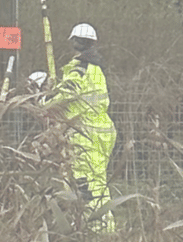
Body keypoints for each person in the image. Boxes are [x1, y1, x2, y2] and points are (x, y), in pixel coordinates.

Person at [52, 23, 117, 233]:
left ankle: (97, 230)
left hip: (85, 134)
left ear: (73, 42)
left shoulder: (80, 69)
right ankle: (106, 228)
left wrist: (39, 100)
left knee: (85, 184)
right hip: (102, 131)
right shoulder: (98, 69)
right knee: (98, 182)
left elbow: (64, 95)